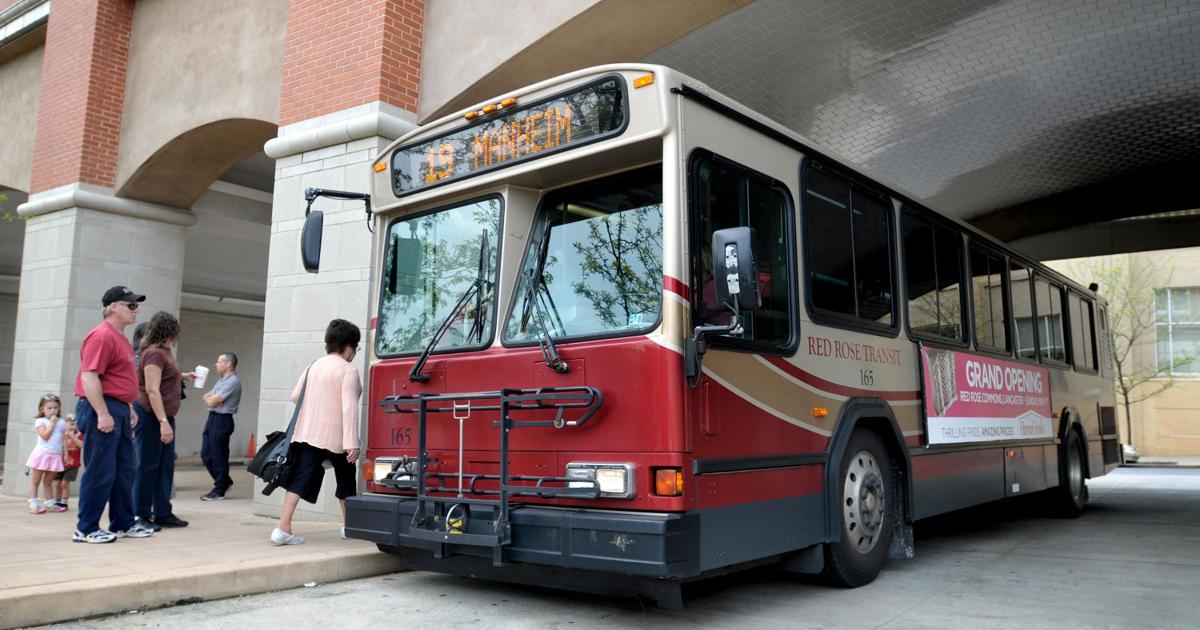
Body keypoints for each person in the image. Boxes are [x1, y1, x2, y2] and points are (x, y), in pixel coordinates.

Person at [73, 286, 154, 543]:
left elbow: (116, 378)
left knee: (125, 470)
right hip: (101, 407)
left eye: (136, 305)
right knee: (100, 470)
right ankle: (86, 528)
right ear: (112, 307)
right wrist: (102, 413)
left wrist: (127, 407)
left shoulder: (119, 337)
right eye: (131, 305)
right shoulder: (101, 336)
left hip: (117, 407)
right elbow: (89, 376)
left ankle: (122, 523)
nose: (136, 310)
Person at [271, 319, 362, 545]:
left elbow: (295, 396)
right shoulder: (348, 369)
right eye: (356, 348)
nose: (354, 353)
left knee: (299, 479)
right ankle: (350, 527)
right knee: (346, 480)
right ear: (348, 347)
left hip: (308, 433)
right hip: (337, 437)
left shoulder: (313, 366)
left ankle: (282, 528)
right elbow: (349, 408)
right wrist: (353, 443)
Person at [133, 311, 190, 529]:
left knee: (164, 467)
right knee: (147, 466)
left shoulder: (164, 352)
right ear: (169, 330)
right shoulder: (154, 354)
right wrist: (163, 422)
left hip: (164, 416)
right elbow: (152, 389)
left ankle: (163, 512)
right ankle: (140, 515)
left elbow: (164, 376)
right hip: (152, 417)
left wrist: (184, 376)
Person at [200, 352, 242, 501]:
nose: (216, 364)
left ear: (228, 364)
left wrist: (212, 399)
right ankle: (225, 481)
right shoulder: (221, 381)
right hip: (212, 418)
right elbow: (209, 398)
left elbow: (211, 401)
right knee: (206, 454)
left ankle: (219, 490)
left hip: (223, 420)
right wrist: (212, 399)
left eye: (219, 362)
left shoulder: (233, 381)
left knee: (219, 455)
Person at [26, 394, 67, 514]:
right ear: (42, 409)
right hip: (42, 454)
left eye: (55, 407)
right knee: (36, 481)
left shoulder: (62, 422)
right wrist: (52, 423)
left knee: (48, 481)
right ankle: (33, 504)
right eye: (49, 408)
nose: (53, 410)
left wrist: (64, 453)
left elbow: (63, 439)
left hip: (55, 455)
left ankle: (49, 504)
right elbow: (45, 436)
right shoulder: (40, 421)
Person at [51, 416, 84, 510]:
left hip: (73, 464)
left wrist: (71, 435)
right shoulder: (61, 434)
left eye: (76, 424)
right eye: (71, 424)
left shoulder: (79, 435)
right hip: (60, 463)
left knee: (64, 483)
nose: (74, 426)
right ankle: (57, 502)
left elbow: (81, 444)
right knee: (57, 483)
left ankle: (64, 503)